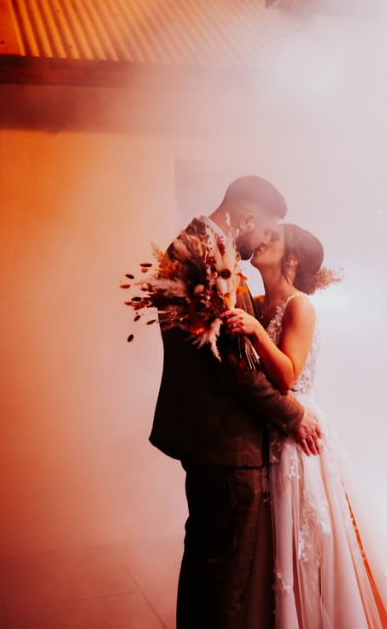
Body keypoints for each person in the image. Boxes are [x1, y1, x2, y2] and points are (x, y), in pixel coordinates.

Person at [225, 224, 387, 629]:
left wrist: (253, 332)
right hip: (269, 426)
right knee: (273, 543)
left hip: (299, 436)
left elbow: (287, 373)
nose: (262, 241)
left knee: (304, 542)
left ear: (292, 259)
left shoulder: (301, 306)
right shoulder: (258, 302)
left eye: (274, 238)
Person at [150, 176, 324, 629]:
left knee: (212, 577)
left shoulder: (202, 251)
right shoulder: (203, 259)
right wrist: (292, 416)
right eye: (265, 228)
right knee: (222, 587)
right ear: (245, 217)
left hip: (218, 443)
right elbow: (233, 366)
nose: (263, 239)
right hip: (227, 445)